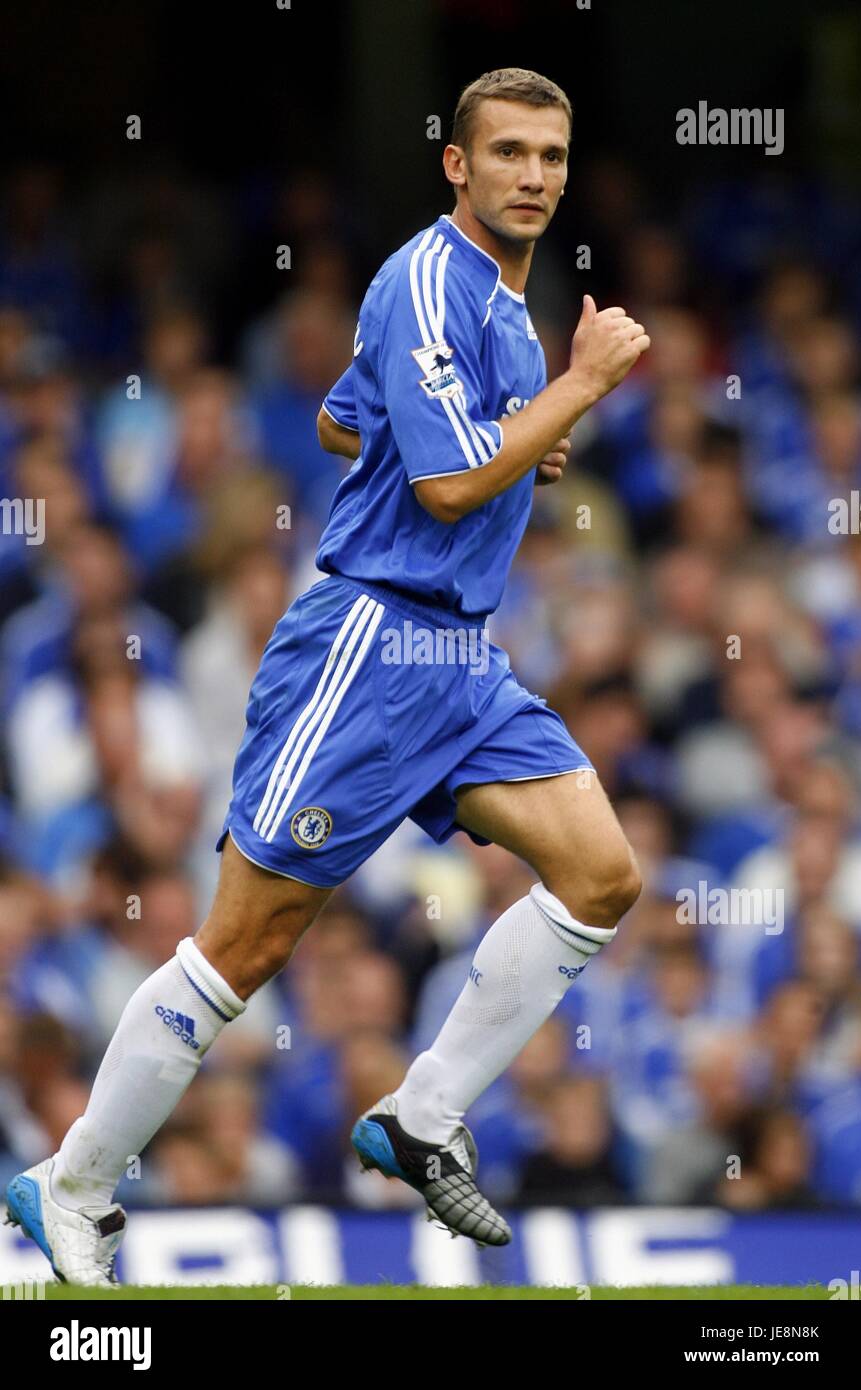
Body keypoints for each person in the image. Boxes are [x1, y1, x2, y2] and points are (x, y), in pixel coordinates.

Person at [5, 66, 649, 1284]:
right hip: (370, 644)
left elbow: (345, 424)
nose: (534, 176)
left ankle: (420, 1113)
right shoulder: (424, 276)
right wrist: (580, 387)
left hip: (459, 656)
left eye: (551, 157)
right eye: (507, 153)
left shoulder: (505, 306)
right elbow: (446, 483)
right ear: (455, 164)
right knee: (244, 949)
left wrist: (522, 438)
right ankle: (72, 1181)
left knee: (600, 875)